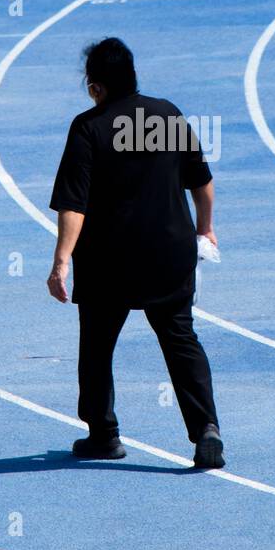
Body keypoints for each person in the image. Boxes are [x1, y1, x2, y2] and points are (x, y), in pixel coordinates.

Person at [47, 37, 224, 469]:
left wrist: (60, 262)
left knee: (97, 346)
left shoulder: (88, 127)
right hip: (169, 252)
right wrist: (206, 228)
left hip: (110, 261)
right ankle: (206, 431)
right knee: (181, 340)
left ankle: (103, 434)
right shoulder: (167, 115)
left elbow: (75, 204)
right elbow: (201, 182)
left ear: (95, 87)